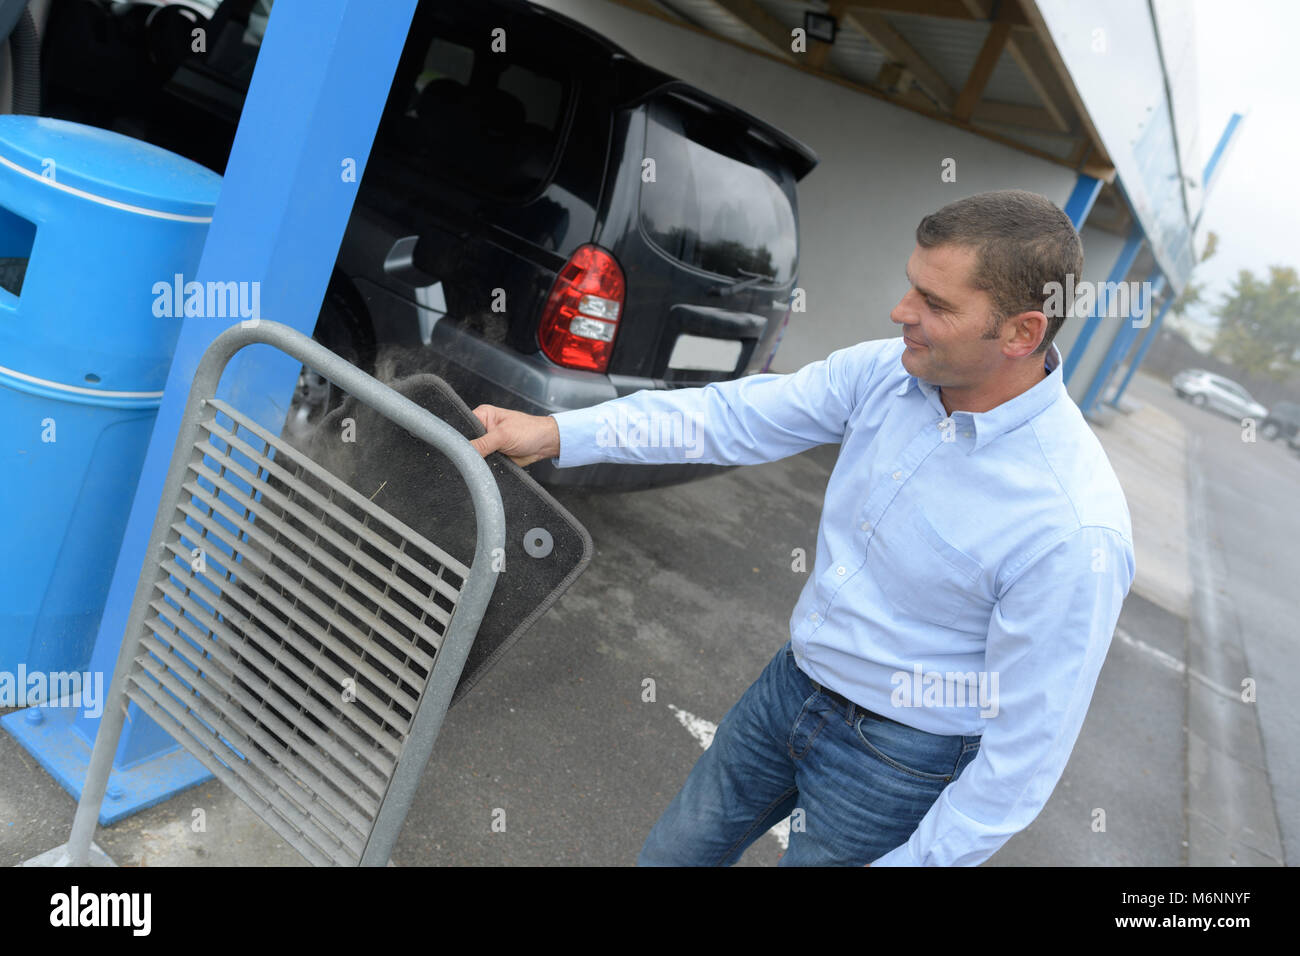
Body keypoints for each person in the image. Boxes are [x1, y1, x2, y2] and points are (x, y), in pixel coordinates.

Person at [469, 189, 1135, 866]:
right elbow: (728, 418)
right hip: (790, 687)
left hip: (899, 761)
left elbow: (1025, 752)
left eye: (935, 304)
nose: (902, 312)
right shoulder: (885, 373)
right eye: (913, 287)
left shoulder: (1073, 526)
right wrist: (556, 432)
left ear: (1022, 332)